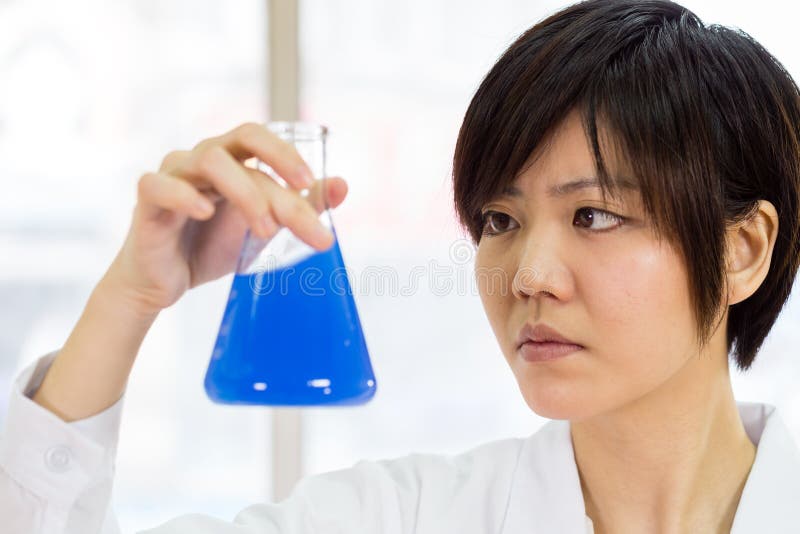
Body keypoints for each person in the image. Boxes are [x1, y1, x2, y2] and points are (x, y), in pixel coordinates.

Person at [2, 0, 800, 532]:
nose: (527, 274)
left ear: (743, 249)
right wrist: (130, 297)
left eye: (593, 214)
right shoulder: (404, 516)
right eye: (500, 220)